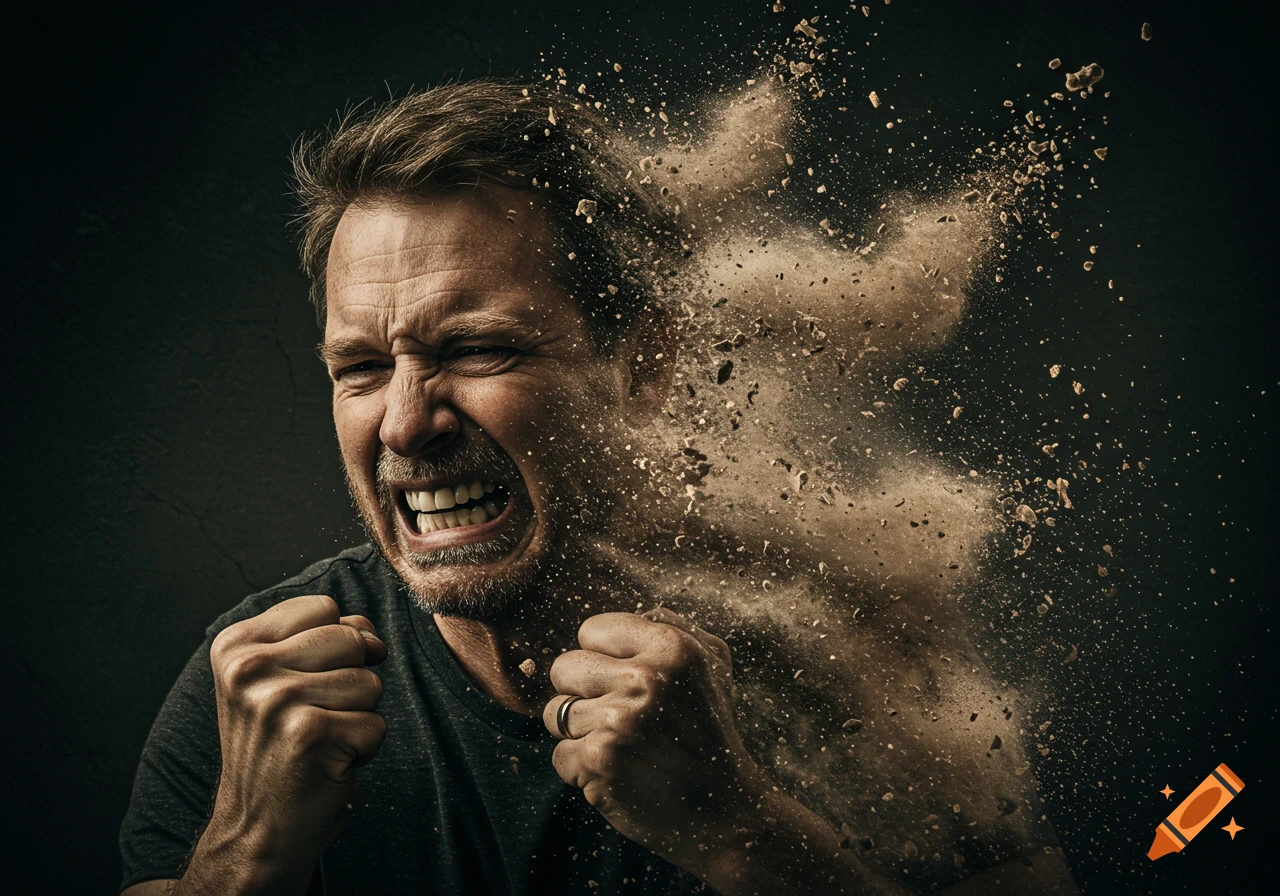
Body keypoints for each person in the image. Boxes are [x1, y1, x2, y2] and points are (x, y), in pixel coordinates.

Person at [120, 80, 1077, 895]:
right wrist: (240, 862)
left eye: (480, 348)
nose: (405, 422)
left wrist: (745, 838)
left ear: (644, 366)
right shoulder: (253, 688)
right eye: (360, 368)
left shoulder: (839, 653)